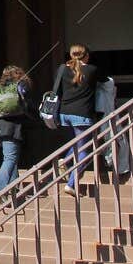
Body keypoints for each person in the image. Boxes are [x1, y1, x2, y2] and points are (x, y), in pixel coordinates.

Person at [53, 44, 99, 192]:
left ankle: (65, 160)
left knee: (79, 143)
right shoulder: (92, 70)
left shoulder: (63, 69)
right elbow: (105, 82)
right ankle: (71, 184)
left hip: (64, 113)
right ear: (86, 55)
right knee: (86, 148)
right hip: (82, 114)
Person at [0, 65, 33, 193]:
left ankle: (14, 189)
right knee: (10, 158)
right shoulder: (20, 85)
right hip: (14, 127)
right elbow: (27, 101)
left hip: (0, 126)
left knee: (12, 158)